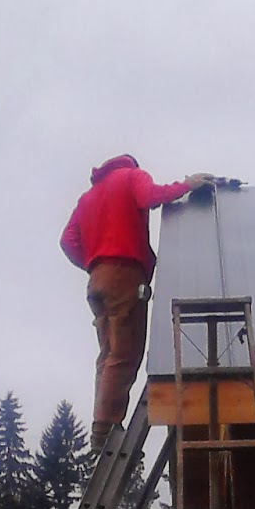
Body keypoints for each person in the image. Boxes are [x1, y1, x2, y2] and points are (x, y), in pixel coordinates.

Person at [60, 154, 214, 452]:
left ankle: (101, 424)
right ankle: (104, 433)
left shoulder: (88, 197)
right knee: (124, 354)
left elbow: (67, 240)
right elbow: (151, 196)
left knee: (107, 354)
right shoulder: (132, 176)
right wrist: (188, 184)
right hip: (125, 276)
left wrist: (95, 263)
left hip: (98, 281)